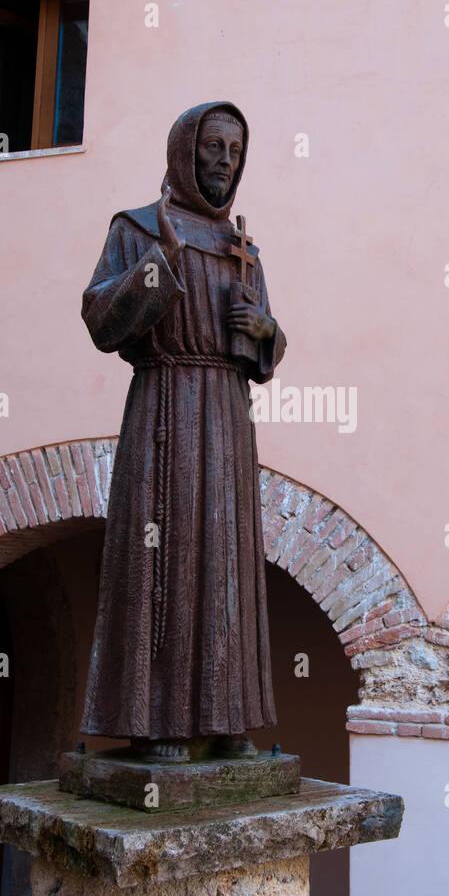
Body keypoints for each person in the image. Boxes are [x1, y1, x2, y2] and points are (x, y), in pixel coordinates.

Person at [79, 101, 286, 759]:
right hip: (165, 405)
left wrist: (266, 334)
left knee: (225, 562)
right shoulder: (139, 228)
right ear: (183, 151)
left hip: (226, 415)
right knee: (162, 557)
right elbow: (101, 322)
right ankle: (159, 722)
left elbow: (266, 350)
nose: (224, 162)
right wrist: (159, 264)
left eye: (234, 152)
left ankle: (228, 718)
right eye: (213, 148)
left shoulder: (242, 248)